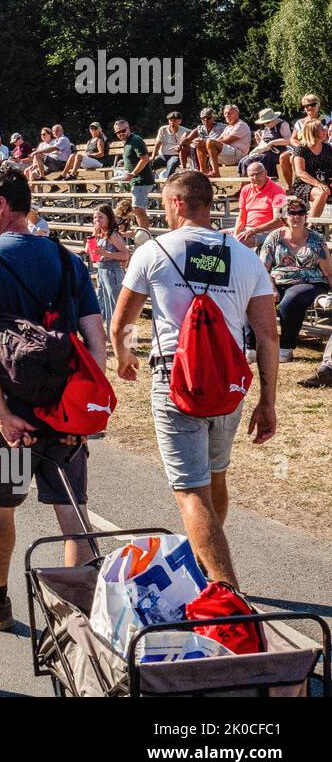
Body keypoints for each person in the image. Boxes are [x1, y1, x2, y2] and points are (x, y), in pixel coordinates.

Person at [111, 170, 278, 591]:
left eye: (165, 204)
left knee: (190, 492)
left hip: (177, 383)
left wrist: (124, 354)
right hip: (229, 386)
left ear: (178, 203)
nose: (164, 212)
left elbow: (121, 323)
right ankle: (207, 561)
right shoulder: (244, 256)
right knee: (216, 474)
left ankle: (226, 591)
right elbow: (268, 335)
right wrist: (268, 400)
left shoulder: (153, 252)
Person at [0, 164, 105, 631]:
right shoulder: (65, 258)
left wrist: (1, 415)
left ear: (1, 205)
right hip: (63, 412)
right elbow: (95, 340)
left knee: (0, 505)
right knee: (72, 510)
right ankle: (80, 615)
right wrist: (85, 410)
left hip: (11, 415)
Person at [255, 198, 332, 363]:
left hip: (311, 282)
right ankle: (251, 346)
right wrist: (271, 287)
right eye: (292, 213)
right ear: (285, 216)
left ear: (306, 216)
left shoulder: (316, 239)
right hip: (278, 280)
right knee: (256, 297)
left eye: (301, 213)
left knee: (291, 299)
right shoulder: (275, 237)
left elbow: (328, 271)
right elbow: (263, 267)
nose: (297, 217)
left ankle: (286, 347)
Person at [86, 204, 130, 347]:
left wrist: (107, 254)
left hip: (113, 271)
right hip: (102, 271)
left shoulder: (113, 234)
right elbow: (89, 251)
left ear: (108, 218)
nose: (97, 220)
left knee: (116, 305)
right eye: (95, 217)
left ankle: (125, 340)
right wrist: (93, 234)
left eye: (100, 217)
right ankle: (108, 336)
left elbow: (125, 255)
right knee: (102, 304)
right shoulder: (99, 233)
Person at [280, 93, 331, 188]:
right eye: (306, 106)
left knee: (293, 158)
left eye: (312, 105)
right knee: (283, 157)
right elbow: (292, 139)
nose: (309, 108)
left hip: (321, 149)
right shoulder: (300, 122)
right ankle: (290, 187)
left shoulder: (326, 120)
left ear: (318, 104)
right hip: (303, 148)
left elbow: (328, 138)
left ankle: (303, 185)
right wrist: (302, 146)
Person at [111, 117, 153, 231]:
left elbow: (144, 158)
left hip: (142, 180)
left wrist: (133, 173)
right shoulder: (127, 142)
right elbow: (133, 159)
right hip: (136, 180)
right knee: (138, 209)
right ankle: (144, 234)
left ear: (128, 128)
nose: (120, 134)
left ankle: (145, 236)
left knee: (137, 209)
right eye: (117, 132)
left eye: (123, 131)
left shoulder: (135, 140)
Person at [234, 160, 287, 249]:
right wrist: (235, 235)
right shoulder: (245, 189)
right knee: (218, 236)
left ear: (265, 173)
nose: (255, 177)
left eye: (258, 174)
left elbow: (279, 220)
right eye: (252, 175)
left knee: (240, 243)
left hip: (268, 232)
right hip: (248, 229)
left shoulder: (278, 191)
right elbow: (241, 217)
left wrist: (254, 231)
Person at [289, 121, 332, 219]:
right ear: (314, 132)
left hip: (325, 182)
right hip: (304, 184)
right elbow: (300, 172)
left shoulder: (327, 148)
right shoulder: (301, 149)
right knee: (322, 193)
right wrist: (318, 184)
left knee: (324, 190)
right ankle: (310, 226)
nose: (325, 130)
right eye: (321, 128)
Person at [197, 104, 250, 177]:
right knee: (199, 143)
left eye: (230, 113)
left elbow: (227, 140)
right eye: (225, 113)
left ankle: (216, 173)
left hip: (239, 155)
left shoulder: (241, 125)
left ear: (237, 114)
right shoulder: (228, 127)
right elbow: (219, 139)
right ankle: (203, 172)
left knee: (209, 142)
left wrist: (208, 143)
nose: (227, 115)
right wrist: (204, 143)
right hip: (227, 154)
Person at [239, 108, 292, 180]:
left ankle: (265, 182)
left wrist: (274, 142)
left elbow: (288, 140)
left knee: (249, 161)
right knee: (243, 161)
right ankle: (246, 186)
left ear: (274, 119)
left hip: (279, 152)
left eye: (267, 122)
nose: (265, 124)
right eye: (264, 123)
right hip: (266, 152)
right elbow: (263, 145)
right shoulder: (267, 126)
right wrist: (258, 139)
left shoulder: (283, 124)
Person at [151, 110, 186, 180]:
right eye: (170, 120)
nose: (172, 122)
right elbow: (158, 144)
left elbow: (190, 142)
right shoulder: (163, 129)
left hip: (175, 156)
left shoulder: (185, 131)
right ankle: (151, 183)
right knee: (148, 164)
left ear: (180, 121)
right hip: (162, 156)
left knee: (172, 162)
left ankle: (166, 180)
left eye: (175, 120)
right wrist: (153, 157)